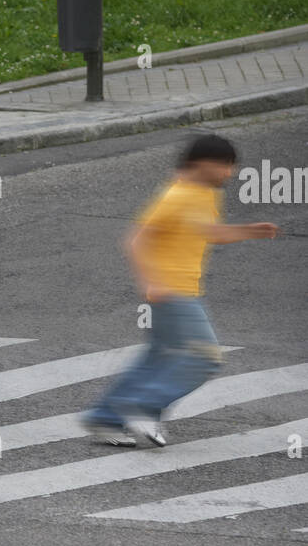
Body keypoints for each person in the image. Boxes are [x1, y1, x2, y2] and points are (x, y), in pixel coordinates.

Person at [82, 134, 278, 447]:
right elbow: (135, 240)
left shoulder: (207, 194)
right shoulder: (176, 196)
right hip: (171, 291)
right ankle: (142, 407)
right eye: (226, 166)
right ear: (203, 164)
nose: (231, 173)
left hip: (183, 290)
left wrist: (247, 231)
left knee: (157, 356)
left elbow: (207, 233)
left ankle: (106, 418)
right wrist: (150, 281)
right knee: (206, 357)